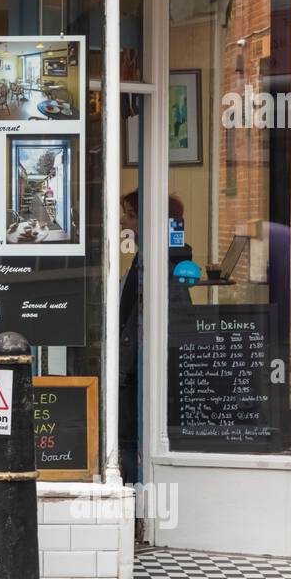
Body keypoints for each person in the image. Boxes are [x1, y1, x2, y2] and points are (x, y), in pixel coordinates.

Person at [117, 189, 187, 486]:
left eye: (130, 215)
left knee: (131, 443)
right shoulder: (146, 259)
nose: (123, 220)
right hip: (137, 373)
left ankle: (137, 504)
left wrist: (120, 371)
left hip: (140, 375)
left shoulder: (161, 266)